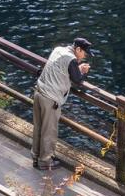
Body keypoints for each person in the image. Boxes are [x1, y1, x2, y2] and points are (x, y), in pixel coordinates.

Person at [32, 37, 91, 170]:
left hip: (39, 92)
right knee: (49, 131)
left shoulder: (59, 49)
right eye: (84, 53)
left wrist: (77, 67)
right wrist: (83, 72)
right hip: (50, 99)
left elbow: (63, 69)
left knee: (38, 128)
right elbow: (77, 80)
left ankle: (36, 157)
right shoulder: (71, 59)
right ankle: (45, 161)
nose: (85, 56)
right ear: (78, 49)